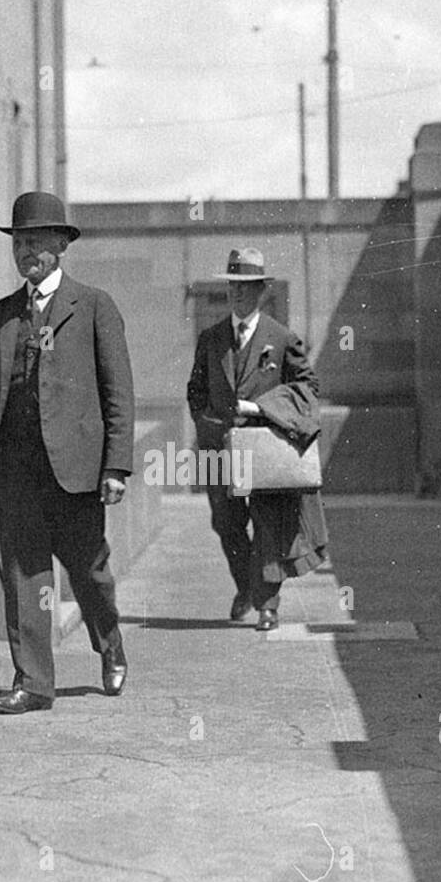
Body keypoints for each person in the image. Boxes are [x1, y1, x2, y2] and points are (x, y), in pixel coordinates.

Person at [0, 192, 134, 712]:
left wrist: (117, 466)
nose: (26, 252)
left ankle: (110, 645)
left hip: (77, 471)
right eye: (19, 242)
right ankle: (34, 683)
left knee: (89, 571)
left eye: (36, 241)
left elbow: (118, 392)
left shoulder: (95, 305)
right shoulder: (5, 313)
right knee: (24, 578)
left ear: (61, 245)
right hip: (18, 469)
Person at [186, 247, 328, 631]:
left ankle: (268, 605)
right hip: (220, 449)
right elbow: (195, 390)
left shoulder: (281, 339)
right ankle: (246, 587)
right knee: (227, 523)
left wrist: (263, 408)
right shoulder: (212, 338)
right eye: (233, 286)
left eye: (246, 287)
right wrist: (208, 426)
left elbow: (307, 386)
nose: (238, 294)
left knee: (268, 525)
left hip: (266, 447)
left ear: (262, 291)